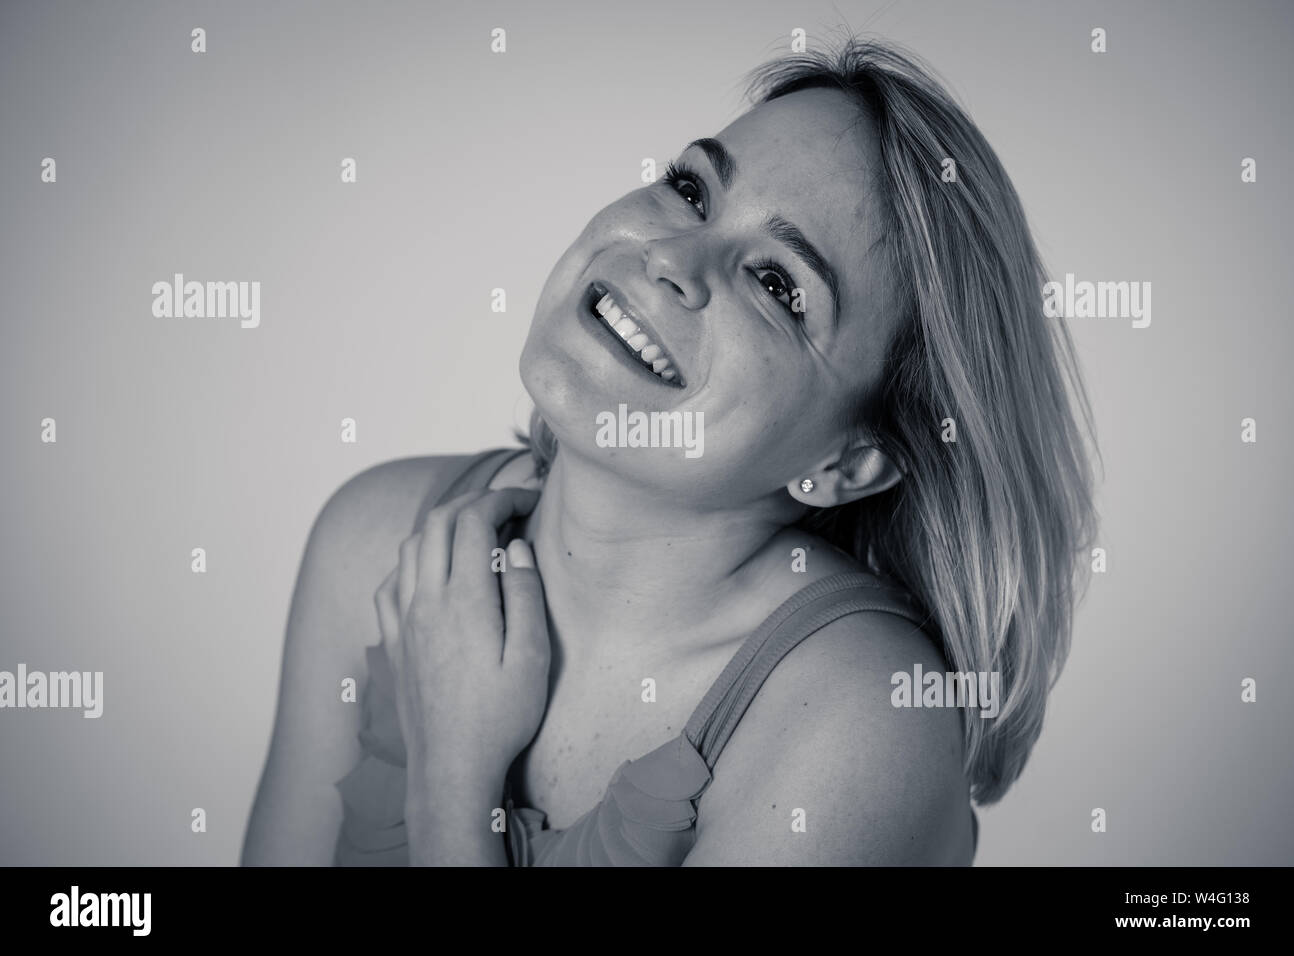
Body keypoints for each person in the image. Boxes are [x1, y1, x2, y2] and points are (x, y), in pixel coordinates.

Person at [241, 34, 1098, 866]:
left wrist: (451, 786)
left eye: (776, 284)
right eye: (691, 190)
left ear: (848, 464)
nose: (672, 257)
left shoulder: (865, 726)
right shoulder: (371, 537)